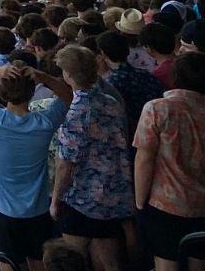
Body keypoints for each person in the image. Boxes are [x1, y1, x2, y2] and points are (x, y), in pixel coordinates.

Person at [0, 57, 73, 271]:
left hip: (2, 209)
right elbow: (67, 94)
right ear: (32, 90)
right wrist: (43, 76)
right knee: (38, 259)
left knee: (7, 261)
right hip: (36, 208)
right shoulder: (44, 123)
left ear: (2, 92)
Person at [132, 53, 205, 271]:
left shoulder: (157, 109)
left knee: (166, 263)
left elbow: (144, 159)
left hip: (163, 202)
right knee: (200, 263)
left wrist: (140, 202)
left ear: (175, 76)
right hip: (203, 204)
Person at [50, 46, 132, 271]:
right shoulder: (110, 100)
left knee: (70, 261)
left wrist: (56, 200)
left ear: (68, 73)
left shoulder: (75, 112)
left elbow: (66, 164)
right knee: (110, 260)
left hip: (81, 198)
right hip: (112, 192)